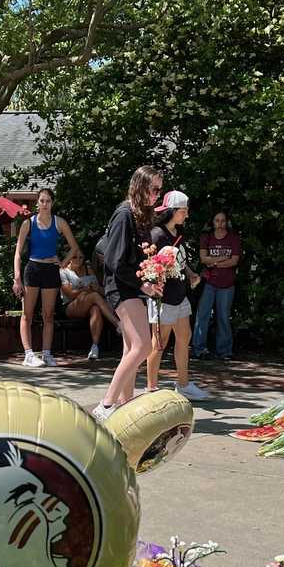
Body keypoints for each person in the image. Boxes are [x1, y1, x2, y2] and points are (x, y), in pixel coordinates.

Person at [93, 166, 165, 421]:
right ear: (141, 187)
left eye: (159, 189)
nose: (157, 194)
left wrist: (150, 276)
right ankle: (106, 405)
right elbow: (114, 261)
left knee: (131, 349)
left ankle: (125, 403)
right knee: (143, 346)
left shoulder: (137, 215)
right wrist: (142, 284)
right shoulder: (124, 215)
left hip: (128, 286)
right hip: (121, 288)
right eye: (154, 189)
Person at [144, 191, 208, 400]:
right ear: (172, 211)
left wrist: (189, 274)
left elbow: (180, 262)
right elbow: (149, 268)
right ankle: (151, 389)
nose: (186, 215)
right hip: (164, 297)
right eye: (183, 211)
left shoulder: (176, 234)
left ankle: (183, 385)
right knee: (159, 342)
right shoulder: (157, 235)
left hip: (180, 295)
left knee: (184, 337)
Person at [12, 188, 79, 368]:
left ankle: (47, 353)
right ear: (37, 203)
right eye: (42, 201)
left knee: (48, 314)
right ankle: (28, 354)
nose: (45, 204)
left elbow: (74, 247)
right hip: (33, 268)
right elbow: (17, 253)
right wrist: (17, 278)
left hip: (50, 270)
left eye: (48, 201)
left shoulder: (59, 222)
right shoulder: (29, 223)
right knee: (28, 313)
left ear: (52, 203)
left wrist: (62, 263)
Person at [192, 211, 241, 361]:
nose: (220, 223)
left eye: (223, 220)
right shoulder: (206, 237)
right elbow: (203, 259)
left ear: (227, 222)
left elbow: (234, 261)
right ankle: (199, 349)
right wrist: (222, 258)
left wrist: (213, 262)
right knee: (203, 315)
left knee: (223, 317)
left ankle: (224, 351)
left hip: (227, 283)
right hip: (209, 282)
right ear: (212, 222)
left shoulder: (233, 238)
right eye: (217, 220)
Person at [60, 254, 118, 360]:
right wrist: (85, 289)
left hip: (90, 301)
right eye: (75, 257)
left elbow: (102, 291)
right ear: (69, 258)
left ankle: (95, 347)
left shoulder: (88, 268)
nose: (78, 259)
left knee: (95, 308)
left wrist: (96, 288)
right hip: (72, 305)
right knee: (94, 296)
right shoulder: (63, 271)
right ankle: (117, 323)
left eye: (81, 257)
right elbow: (70, 294)